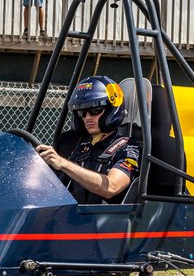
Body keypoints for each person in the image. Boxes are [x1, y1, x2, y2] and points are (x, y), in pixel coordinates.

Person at [35, 75, 139, 203]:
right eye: (82, 112)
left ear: (111, 109)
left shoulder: (128, 147)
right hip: (70, 213)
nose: (87, 117)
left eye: (95, 110)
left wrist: (64, 164)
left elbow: (111, 187)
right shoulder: (73, 144)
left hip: (107, 215)